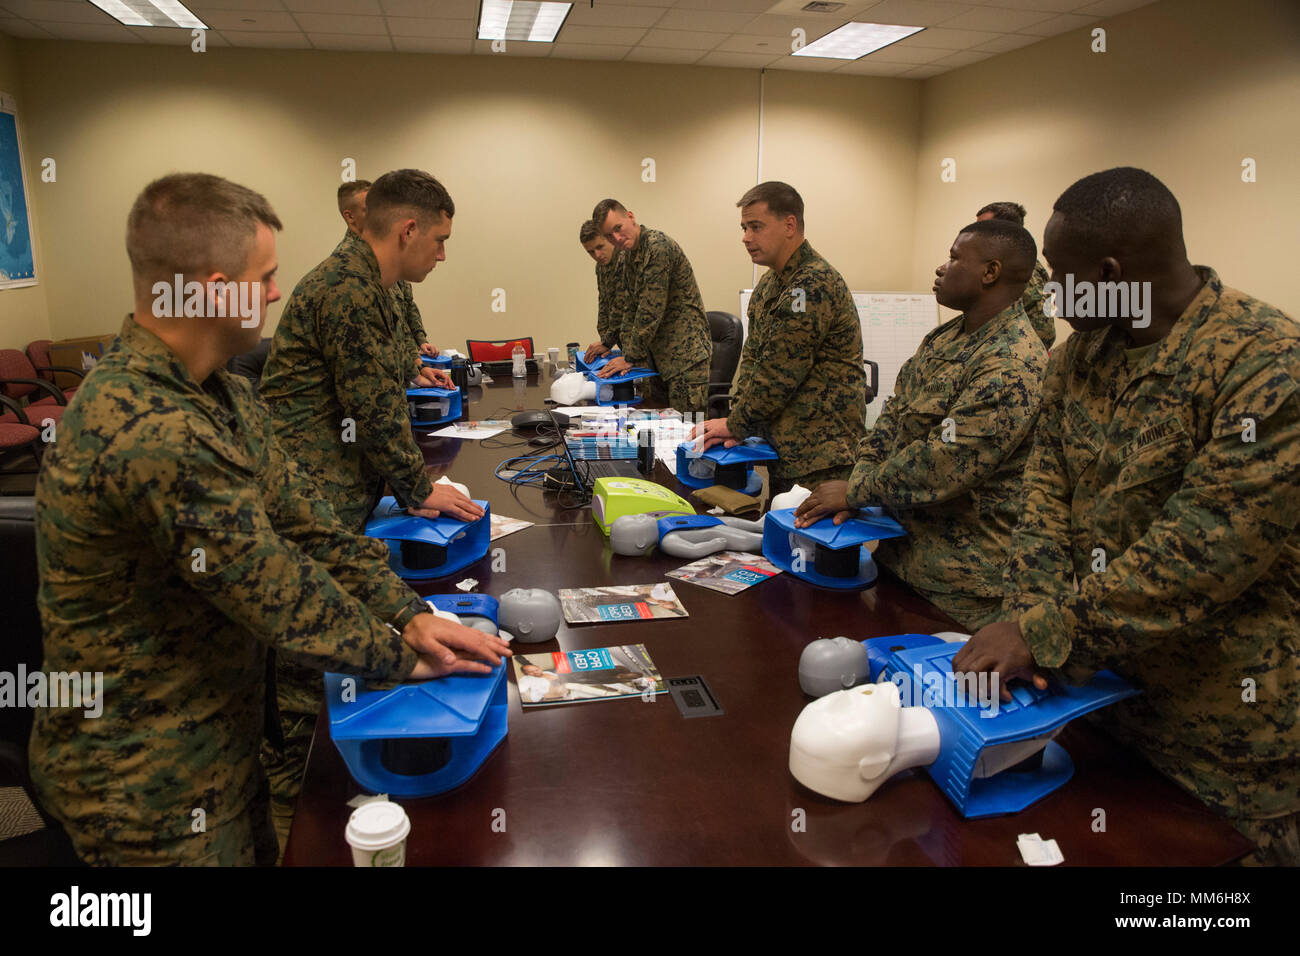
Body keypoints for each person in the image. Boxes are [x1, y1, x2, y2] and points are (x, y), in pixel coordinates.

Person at [29, 172, 510, 865]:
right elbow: (277, 591)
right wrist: (409, 658)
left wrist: (407, 611)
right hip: (144, 781)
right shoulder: (144, 426)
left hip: (221, 742)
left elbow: (309, 526)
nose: (280, 293)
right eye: (266, 277)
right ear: (215, 288)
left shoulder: (220, 391)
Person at [953, 167, 1299, 866]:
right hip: (1094, 700)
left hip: (1221, 730)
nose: (1048, 292)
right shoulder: (1076, 359)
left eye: (1060, 274)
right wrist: (1028, 625)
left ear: (1111, 272)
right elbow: (1043, 505)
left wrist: (1044, 630)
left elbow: (1205, 551)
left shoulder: (1266, 363)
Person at [259, 169, 484, 848]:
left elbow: (386, 381)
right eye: (439, 240)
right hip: (310, 493)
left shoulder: (378, 287)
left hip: (337, 488)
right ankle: (296, 821)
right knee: (304, 663)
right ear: (407, 229)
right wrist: (419, 489)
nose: (443, 255)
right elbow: (374, 408)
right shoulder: (347, 288)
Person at [795, 219, 1047, 631]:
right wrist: (859, 484)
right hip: (898, 554)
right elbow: (893, 416)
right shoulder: (945, 338)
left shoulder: (1012, 362)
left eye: (953, 257)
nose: (942, 268)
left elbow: (947, 460)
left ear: (990, 272)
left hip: (961, 587)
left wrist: (857, 490)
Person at [692, 182, 867, 495]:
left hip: (821, 453)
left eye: (756, 227)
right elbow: (753, 361)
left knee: (810, 541)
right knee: (781, 535)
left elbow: (779, 373)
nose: (746, 237)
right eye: (744, 227)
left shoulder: (810, 284)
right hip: (784, 444)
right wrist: (740, 422)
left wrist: (735, 424)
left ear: (790, 225)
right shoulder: (772, 283)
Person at [590, 198, 712, 413]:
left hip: (685, 357)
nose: (616, 238)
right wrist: (622, 350)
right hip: (657, 358)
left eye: (618, 228)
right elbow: (630, 307)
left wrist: (629, 357)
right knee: (660, 434)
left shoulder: (657, 247)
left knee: (691, 432)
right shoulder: (629, 255)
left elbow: (650, 310)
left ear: (630, 216)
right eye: (609, 235)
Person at [339, 179, 438, 363]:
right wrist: (414, 366)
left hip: (403, 363)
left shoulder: (384, 253)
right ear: (350, 216)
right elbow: (374, 340)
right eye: (369, 210)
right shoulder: (349, 264)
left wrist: (420, 344)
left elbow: (404, 308)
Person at [975, 201, 1054, 348]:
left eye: (983, 228)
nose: (975, 233)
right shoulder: (999, 264)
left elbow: (1045, 333)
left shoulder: (1025, 271)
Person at [578, 219, 623, 364]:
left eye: (600, 247)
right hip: (623, 340)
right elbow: (604, 304)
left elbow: (622, 306)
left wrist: (606, 342)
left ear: (609, 238)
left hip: (643, 340)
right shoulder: (601, 267)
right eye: (591, 251)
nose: (597, 255)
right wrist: (605, 342)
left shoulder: (625, 259)